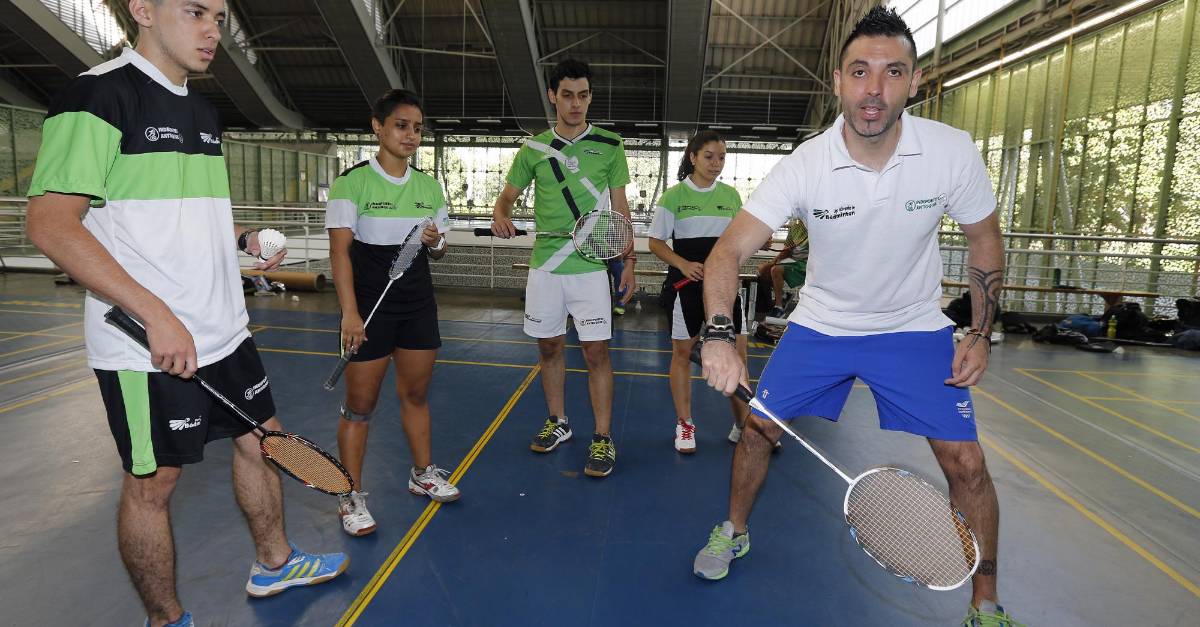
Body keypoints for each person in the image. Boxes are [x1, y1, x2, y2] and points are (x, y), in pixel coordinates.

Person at [691, 8, 1022, 626]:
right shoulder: (806, 164)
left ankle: (987, 603)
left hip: (913, 325)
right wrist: (716, 334)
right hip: (822, 325)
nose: (874, 90)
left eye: (891, 73)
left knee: (968, 463)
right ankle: (734, 528)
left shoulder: (949, 152)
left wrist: (979, 331)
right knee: (759, 429)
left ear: (914, 81)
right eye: (860, 72)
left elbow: (983, 237)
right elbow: (728, 251)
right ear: (838, 81)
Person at [24, 2, 347, 625]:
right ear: (143, 9)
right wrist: (155, 314)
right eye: (195, 11)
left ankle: (274, 564)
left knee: (264, 442)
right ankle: (167, 619)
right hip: (145, 345)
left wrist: (240, 237)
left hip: (225, 331)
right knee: (154, 486)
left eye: (220, 18)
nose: (212, 31)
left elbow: (174, 212)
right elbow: (50, 224)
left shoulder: (201, 110)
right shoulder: (97, 97)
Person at [490, 58, 636, 477]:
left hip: (591, 266)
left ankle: (603, 438)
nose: (576, 104)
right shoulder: (533, 148)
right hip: (546, 266)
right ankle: (559, 421)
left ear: (590, 97)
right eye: (568, 95)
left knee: (596, 352)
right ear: (553, 96)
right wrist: (501, 214)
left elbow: (620, 212)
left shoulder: (611, 145)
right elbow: (506, 198)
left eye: (584, 95)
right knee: (549, 347)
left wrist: (628, 261)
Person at [325, 89, 460, 537]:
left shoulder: (428, 187)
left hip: (417, 303)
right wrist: (349, 314)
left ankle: (422, 472)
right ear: (377, 128)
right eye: (401, 125)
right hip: (368, 306)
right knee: (360, 407)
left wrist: (436, 240)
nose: (411, 135)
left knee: (417, 396)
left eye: (418, 128)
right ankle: (349, 493)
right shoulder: (352, 183)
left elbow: (439, 251)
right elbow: (340, 254)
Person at [647, 131, 750, 454]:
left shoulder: (732, 197)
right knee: (682, 356)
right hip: (685, 289)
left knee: (740, 357)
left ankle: (744, 426)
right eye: (709, 156)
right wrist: (684, 264)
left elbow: (737, 243)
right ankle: (685, 424)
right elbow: (655, 242)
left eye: (721, 157)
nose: (716, 164)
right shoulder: (674, 197)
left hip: (725, 290)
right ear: (692, 157)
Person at [755, 219, 809, 322]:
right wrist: (769, 264)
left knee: (775, 270)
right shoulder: (795, 226)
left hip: (807, 264)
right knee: (763, 270)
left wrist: (771, 264)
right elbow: (786, 250)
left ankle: (779, 307)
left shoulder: (815, 227)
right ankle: (784, 295)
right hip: (794, 261)